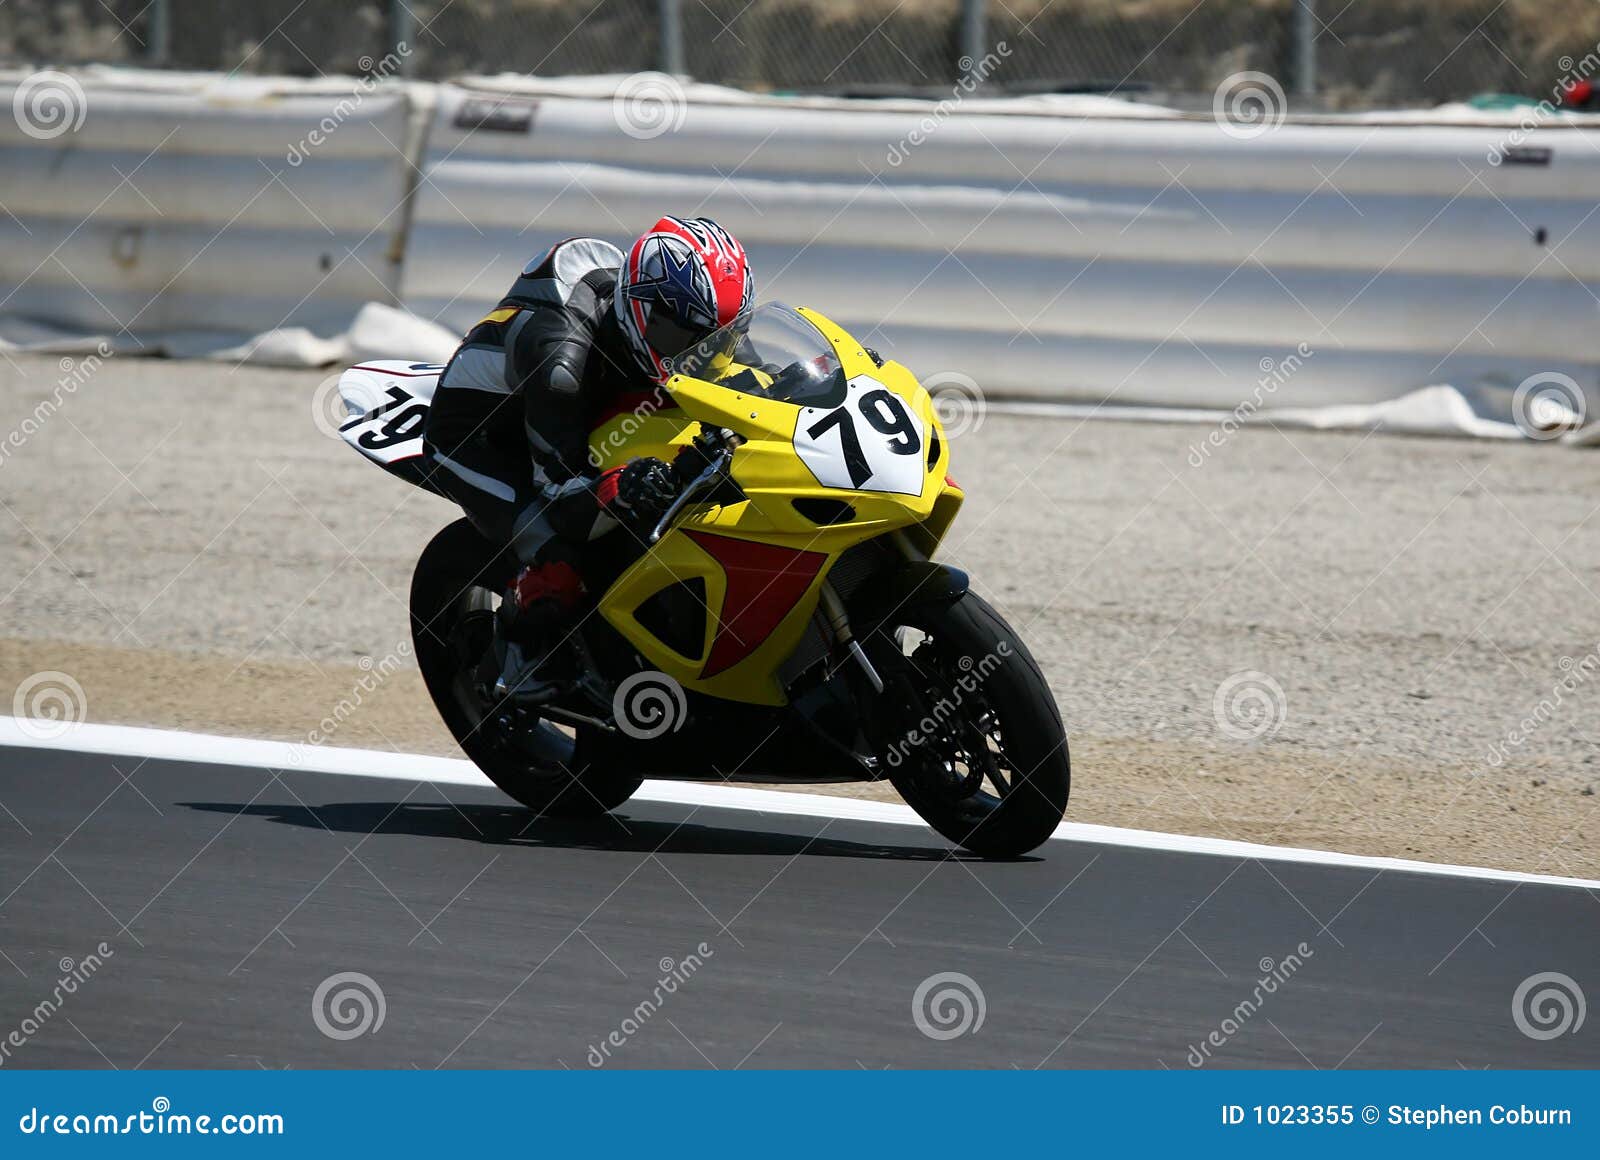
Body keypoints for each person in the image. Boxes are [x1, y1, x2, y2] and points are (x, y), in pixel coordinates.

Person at [421, 216, 753, 695]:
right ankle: (519, 662)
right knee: (559, 552)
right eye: (687, 341)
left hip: (582, 394)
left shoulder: (668, 319)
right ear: (641, 313)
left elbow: (747, 373)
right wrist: (626, 484)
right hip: (477, 439)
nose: (703, 354)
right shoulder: (561, 367)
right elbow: (560, 496)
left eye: (719, 340)